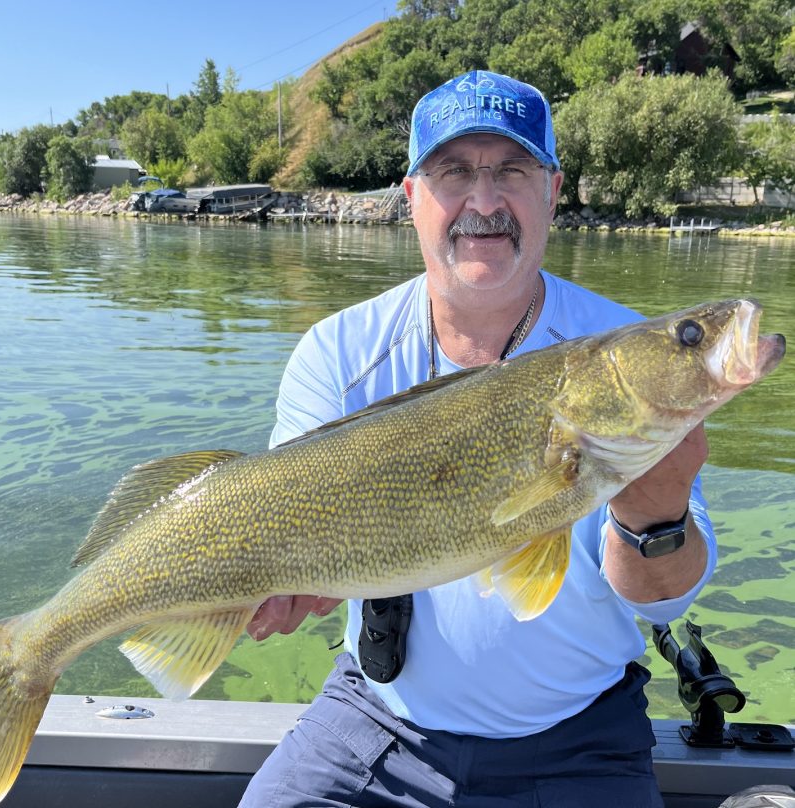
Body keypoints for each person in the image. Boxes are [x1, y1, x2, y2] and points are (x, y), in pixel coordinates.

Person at [239, 70, 716, 808]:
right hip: (378, 722)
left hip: (580, 738)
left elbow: (659, 604)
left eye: (512, 171)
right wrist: (284, 581)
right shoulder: (337, 351)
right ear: (412, 196)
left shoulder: (623, 354)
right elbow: (282, 525)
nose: (484, 202)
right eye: (454, 171)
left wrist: (656, 518)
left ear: (553, 191)